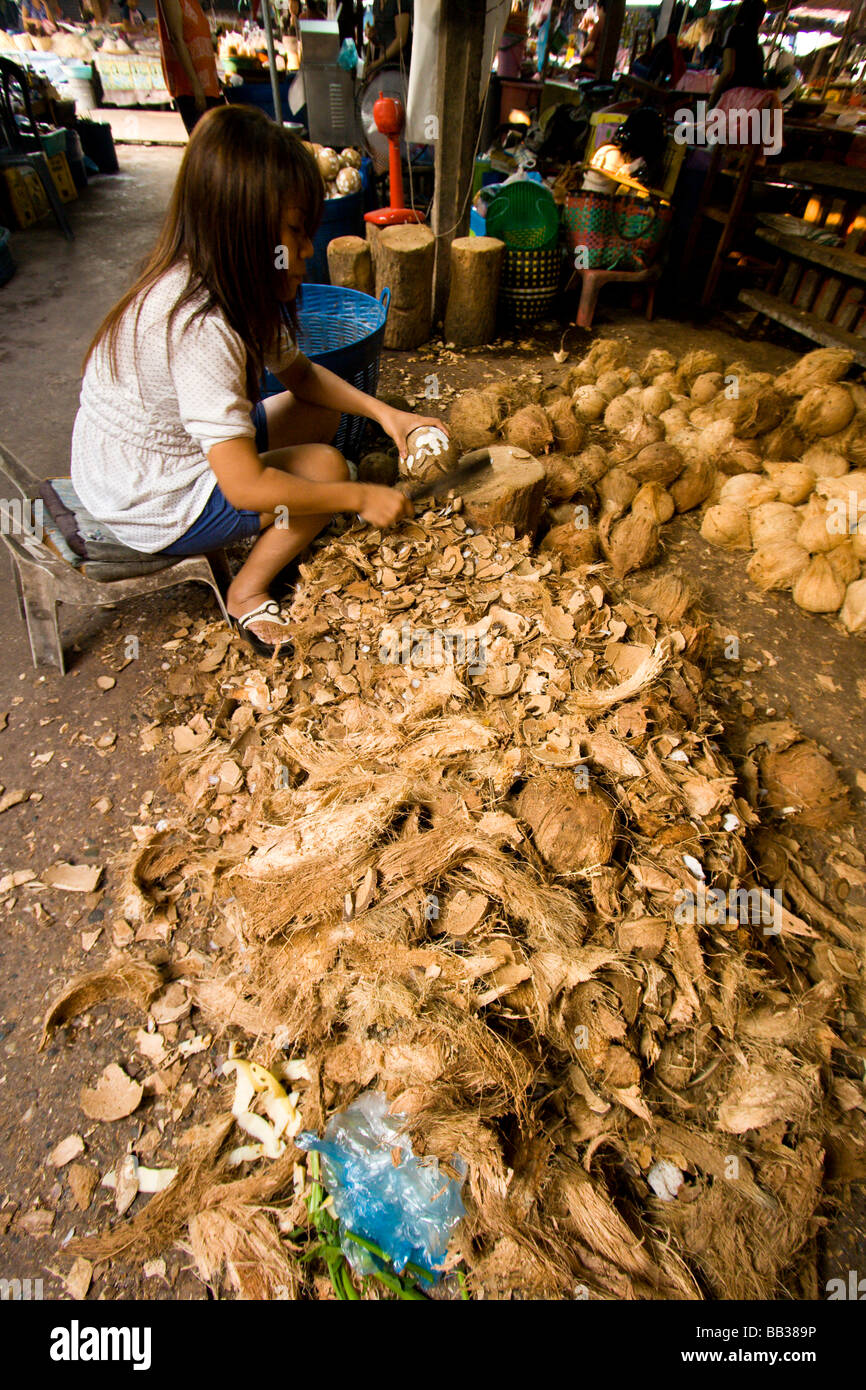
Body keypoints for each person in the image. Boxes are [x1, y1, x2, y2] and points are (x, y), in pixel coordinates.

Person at [71, 106, 442, 658]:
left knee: (321, 415)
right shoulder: (201, 326)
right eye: (296, 232)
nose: (308, 250)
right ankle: (246, 590)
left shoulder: (234, 284)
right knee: (325, 466)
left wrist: (391, 416)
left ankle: (294, 517)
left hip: (148, 460)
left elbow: (304, 377)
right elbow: (245, 487)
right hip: (145, 496)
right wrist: (356, 494)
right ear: (242, 227)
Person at [156, 0, 223, 136]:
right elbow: (176, 38)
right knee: (205, 144)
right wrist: (196, 86)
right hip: (191, 88)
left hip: (207, 84)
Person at [709, 0, 766, 105]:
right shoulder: (756, 43)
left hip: (733, 100)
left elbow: (728, 71)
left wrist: (712, 101)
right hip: (749, 104)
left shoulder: (735, 32)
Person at [366, 0, 412, 81]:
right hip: (384, 65)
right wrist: (372, 35)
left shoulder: (400, 2)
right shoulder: (377, 3)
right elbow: (379, 42)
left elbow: (401, 40)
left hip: (400, 66)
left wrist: (378, 63)